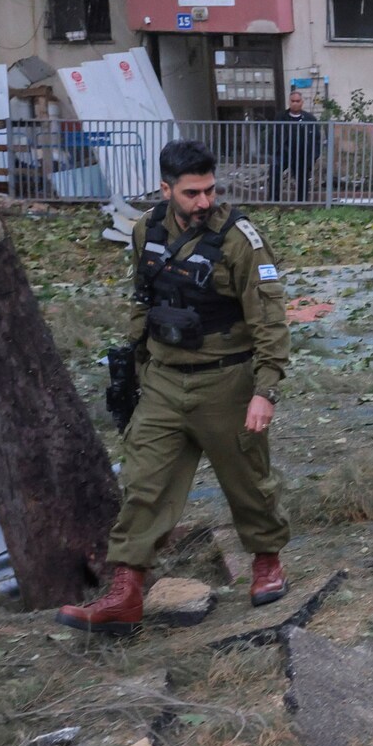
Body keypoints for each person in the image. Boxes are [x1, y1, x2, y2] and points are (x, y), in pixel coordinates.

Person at [62, 139, 293, 631]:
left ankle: (266, 561)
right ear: (166, 189)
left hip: (226, 382)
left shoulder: (239, 240)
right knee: (144, 484)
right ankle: (125, 593)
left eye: (210, 190)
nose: (204, 202)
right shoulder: (146, 229)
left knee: (248, 482)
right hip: (163, 382)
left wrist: (264, 389)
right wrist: (133, 365)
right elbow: (143, 299)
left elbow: (270, 319)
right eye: (191, 193)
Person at [268, 88, 324, 203]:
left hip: (302, 154)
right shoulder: (280, 117)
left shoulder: (310, 119)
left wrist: (313, 156)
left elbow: (317, 139)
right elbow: (273, 135)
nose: (295, 103)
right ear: (289, 102)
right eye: (292, 101)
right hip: (283, 152)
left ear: (302, 102)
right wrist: (274, 151)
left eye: (297, 101)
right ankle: (273, 201)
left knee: (302, 179)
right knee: (275, 171)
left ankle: (302, 202)